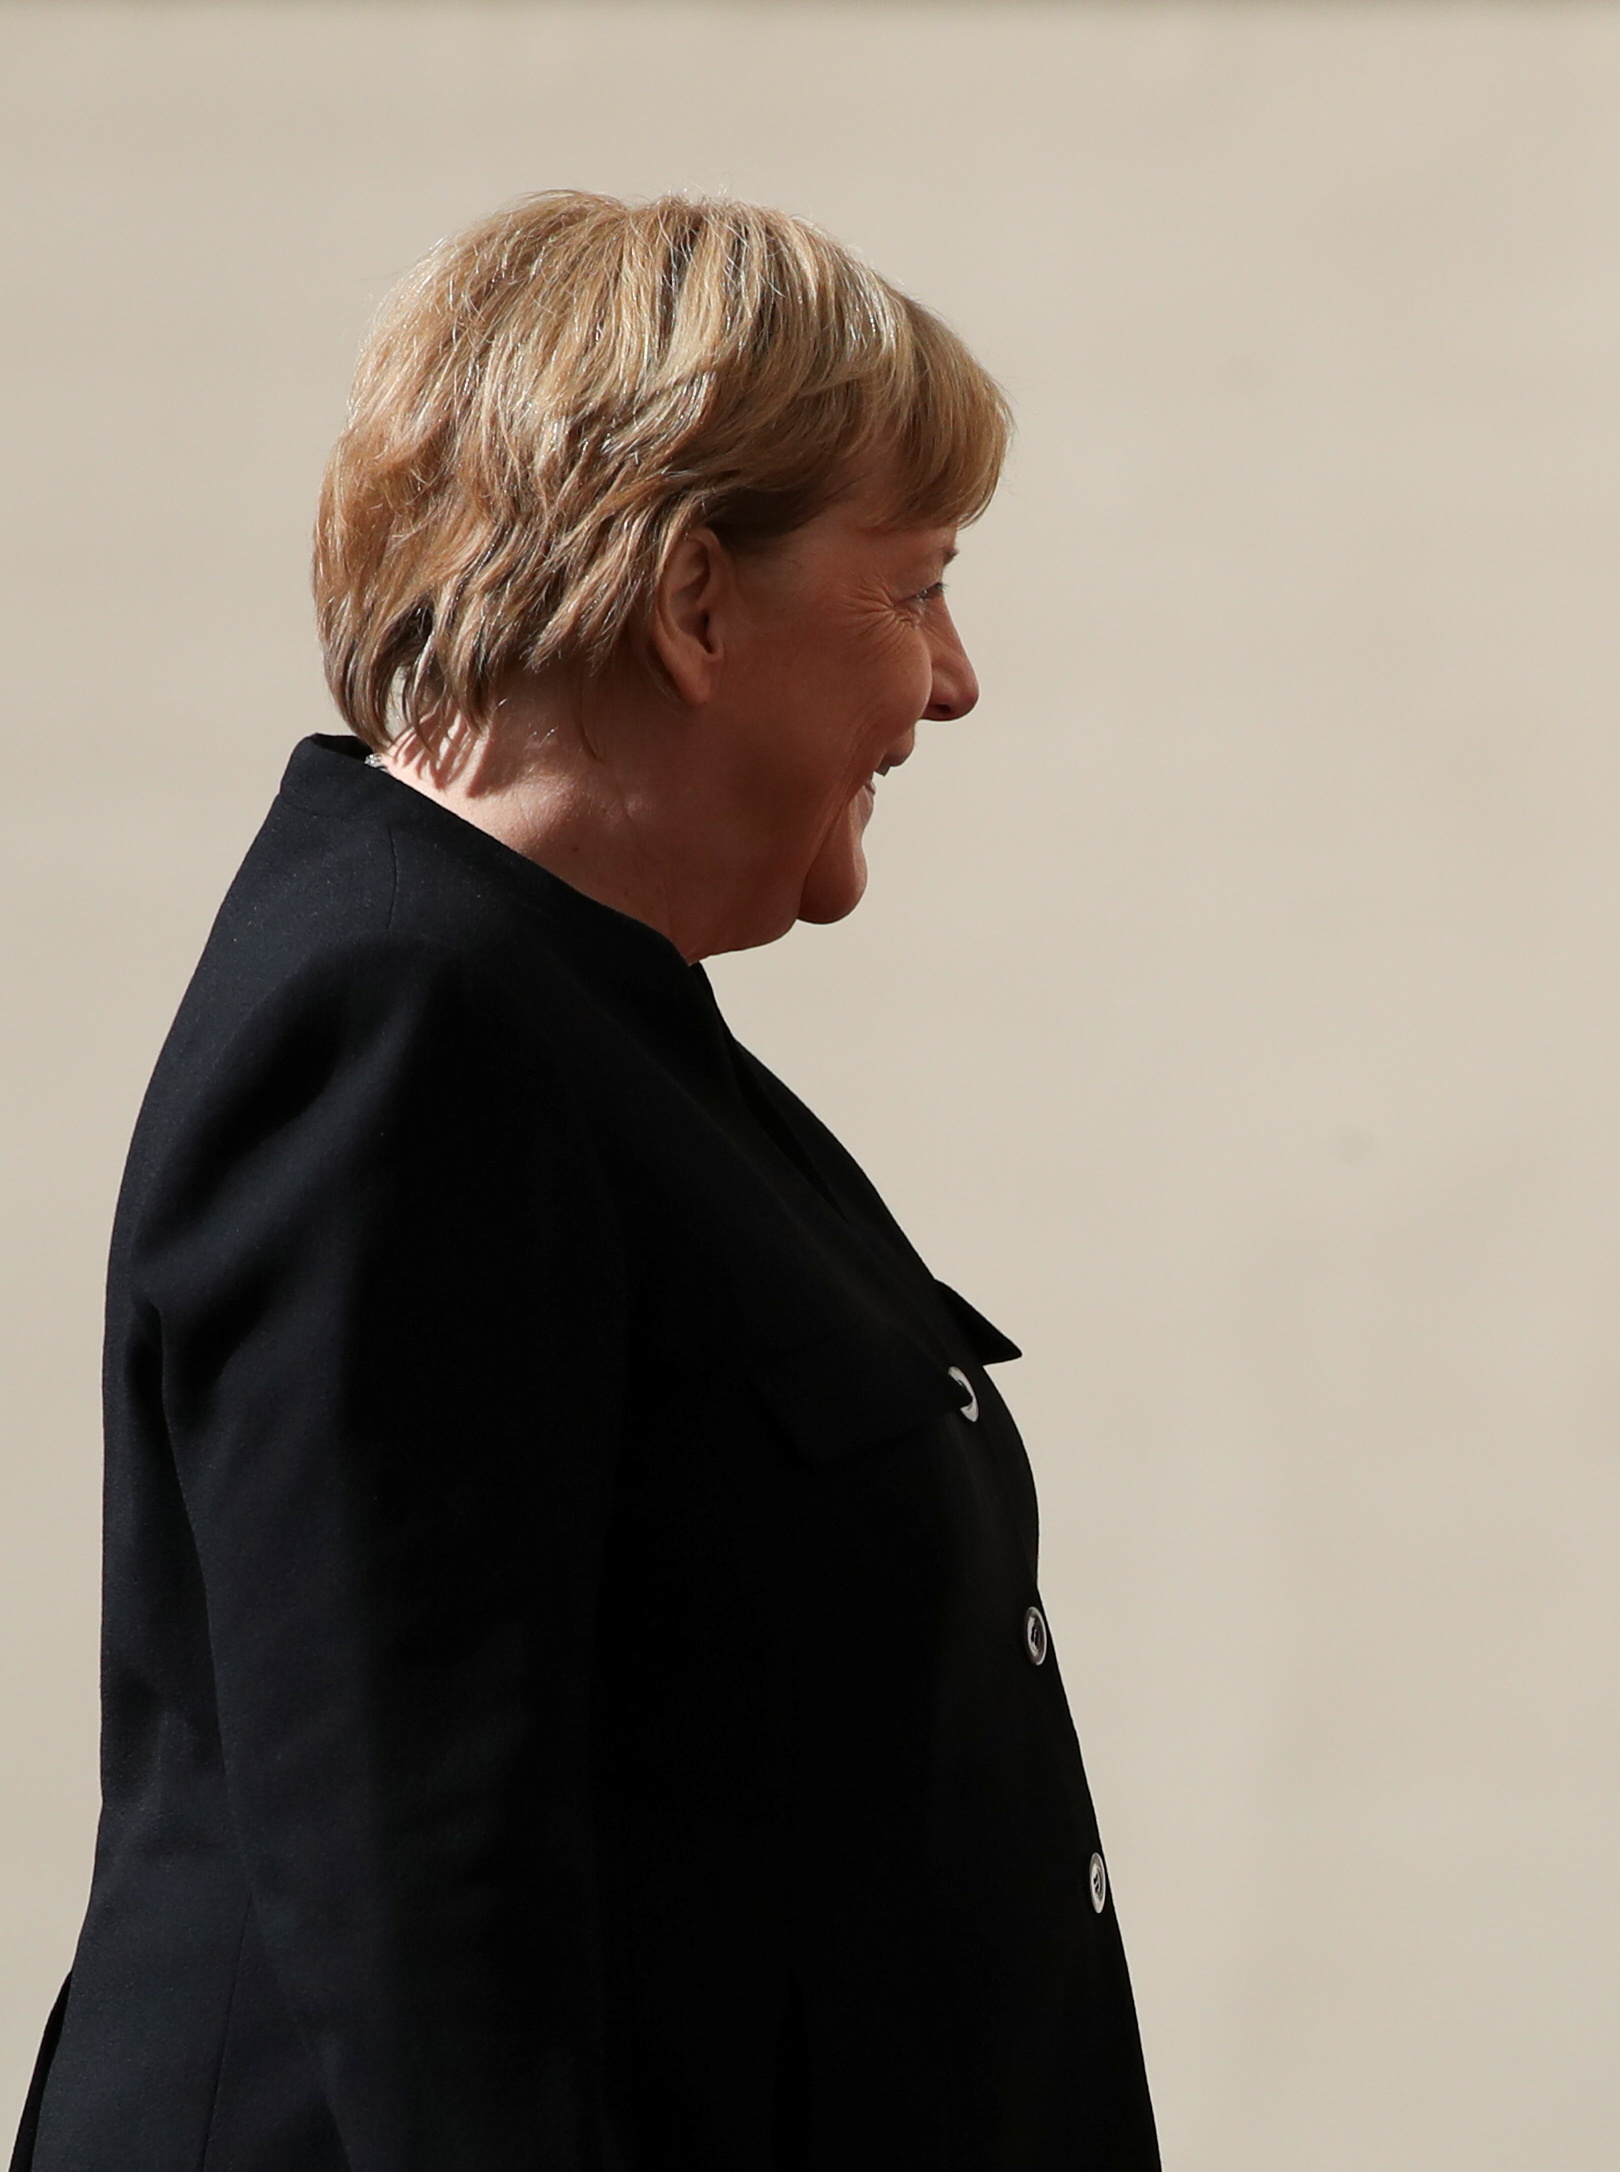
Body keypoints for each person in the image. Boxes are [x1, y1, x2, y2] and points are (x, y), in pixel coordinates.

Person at [9, 192, 1159, 2171]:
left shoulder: (573, 1021)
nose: (951, 684)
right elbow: (422, 1890)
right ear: (694, 602)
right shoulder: (407, 1032)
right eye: (911, 591)